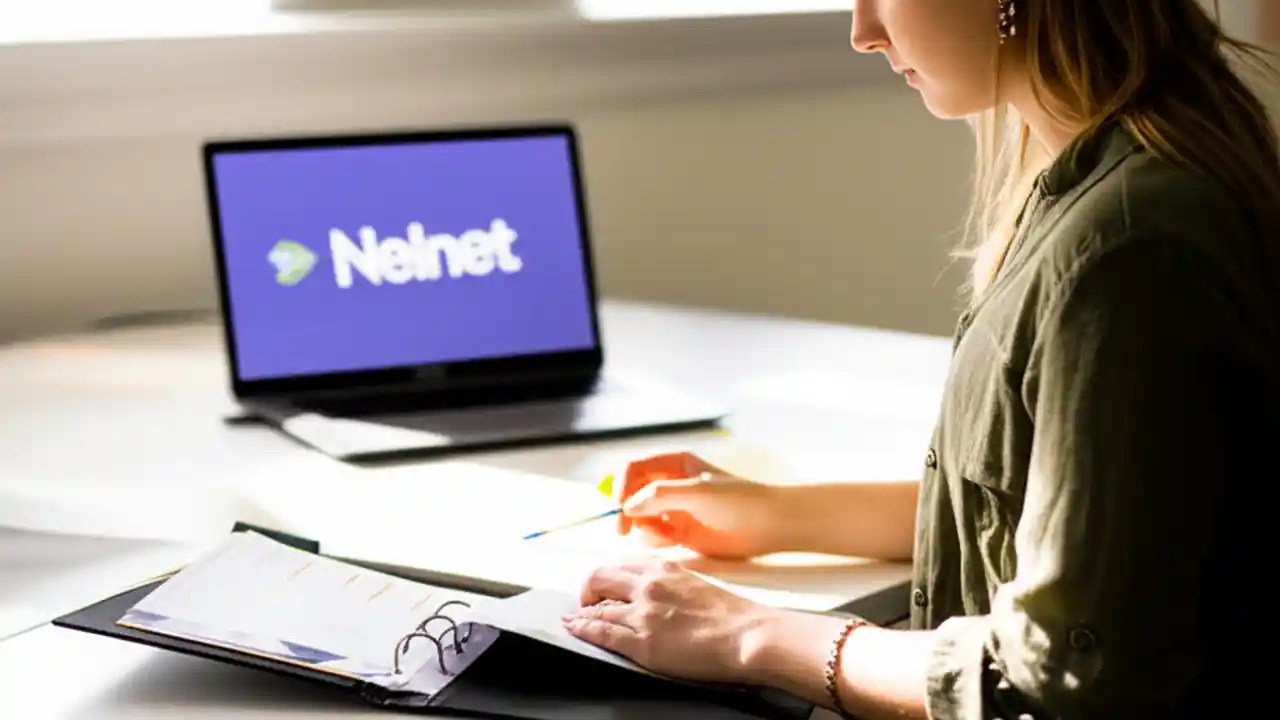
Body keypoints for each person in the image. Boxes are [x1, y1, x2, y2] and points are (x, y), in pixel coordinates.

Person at [561, 1, 1280, 718]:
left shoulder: (1127, 248)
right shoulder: (1103, 178)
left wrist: (752, 634)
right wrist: (773, 516)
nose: (862, 32)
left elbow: (1053, 678)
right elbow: (1052, 514)